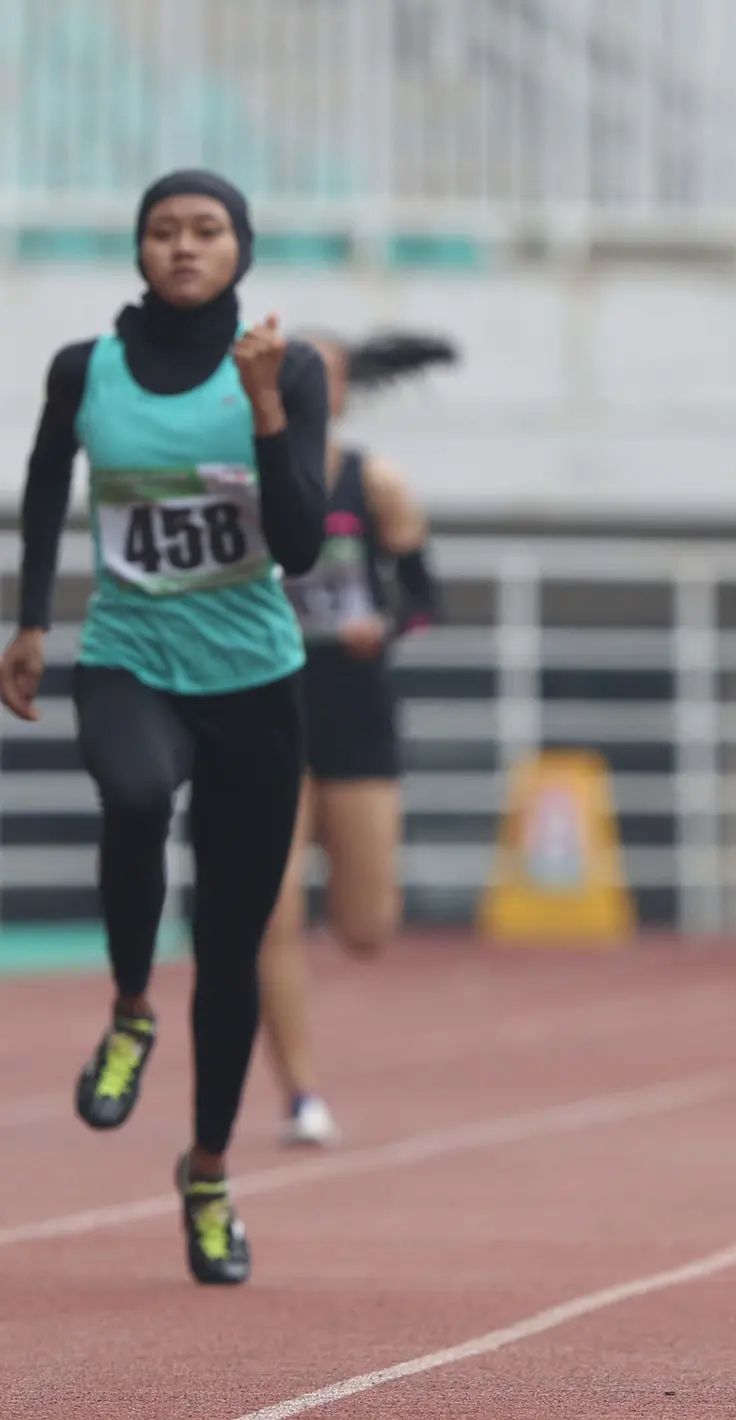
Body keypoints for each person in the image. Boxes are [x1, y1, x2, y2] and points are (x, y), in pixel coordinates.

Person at [3, 170, 329, 1285]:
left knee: (233, 950)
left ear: (242, 246)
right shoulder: (81, 370)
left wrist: (271, 409)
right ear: (139, 249)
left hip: (252, 679)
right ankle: (133, 1005)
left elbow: (298, 550)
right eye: (163, 231)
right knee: (136, 796)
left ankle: (207, 1171)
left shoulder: (284, 367)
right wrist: (32, 619)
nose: (184, 247)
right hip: (131, 656)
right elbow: (46, 482)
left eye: (206, 231)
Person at [257, 331, 452, 1147]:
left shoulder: (375, 481)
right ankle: (300, 1093)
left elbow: (424, 598)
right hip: (262, 702)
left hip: (353, 699)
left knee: (366, 925)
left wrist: (387, 625)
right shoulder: (243, 478)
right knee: (267, 916)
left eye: (324, 376)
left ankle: (353, 919)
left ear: (342, 391)